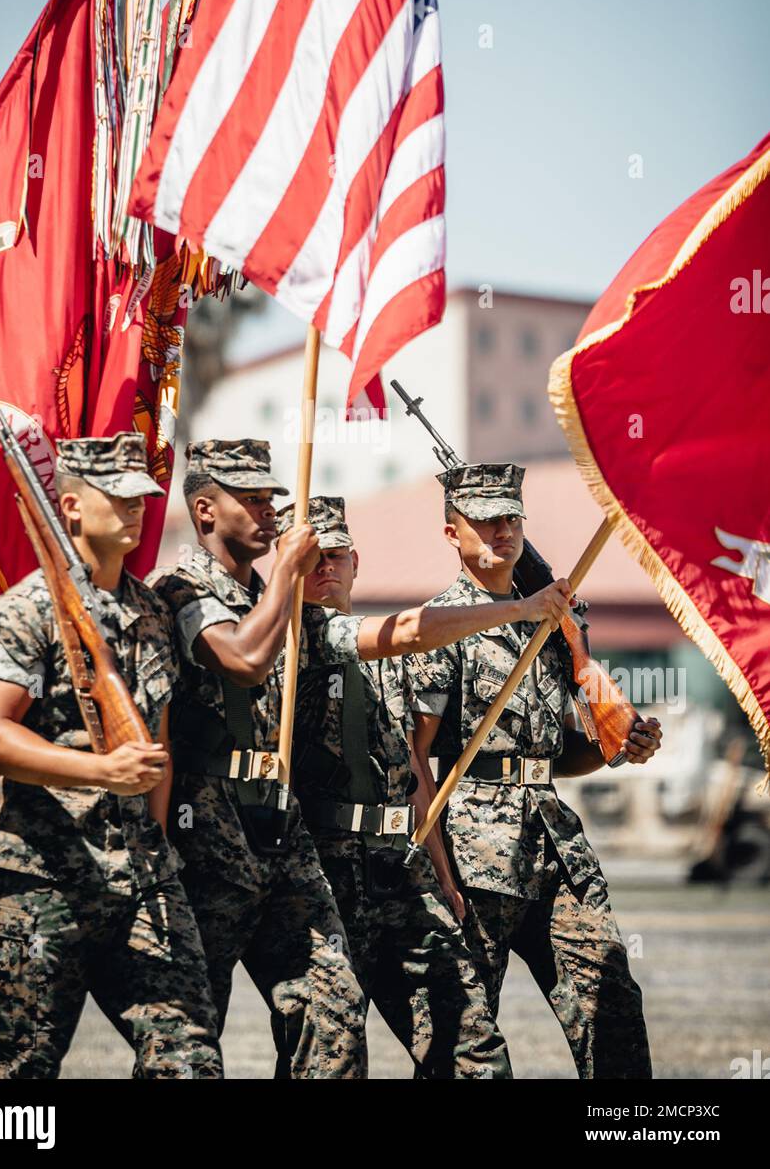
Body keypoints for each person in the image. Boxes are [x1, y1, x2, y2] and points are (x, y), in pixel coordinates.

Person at [148, 440, 571, 1079]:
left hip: (282, 840)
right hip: (207, 840)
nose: (270, 513)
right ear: (204, 511)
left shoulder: (295, 612)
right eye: (253, 500)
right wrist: (287, 580)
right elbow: (242, 659)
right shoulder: (181, 590)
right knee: (184, 1046)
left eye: (273, 500)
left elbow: (399, 633)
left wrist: (519, 609)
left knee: (334, 1021)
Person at [0, 434, 223, 1080]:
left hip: (143, 880)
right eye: (120, 497)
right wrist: (100, 772)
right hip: (41, 876)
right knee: (25, 1069)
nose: (137, 510)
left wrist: (158, 844)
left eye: (143, 497)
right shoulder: (25, 611)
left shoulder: (152, 611)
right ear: (74, 507)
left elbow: (156, 738)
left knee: (189, 1061)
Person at [405, 462, 662, 1080]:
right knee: (468, 1031)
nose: (500, 531)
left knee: (610, 1003)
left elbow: (555, 753)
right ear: (452, 534)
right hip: (472, 850)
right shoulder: (442, 624)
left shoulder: (552, 623)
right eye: (484, 520)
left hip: (552, 841)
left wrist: (615, 744)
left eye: (511, 518)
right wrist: (437, 867)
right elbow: (415, 757)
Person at [275, 495, 511, 1079]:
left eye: (335, 556)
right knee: (330, 1048)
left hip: (400, 869)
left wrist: (445, 877)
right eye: (309, 560)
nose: (324, 569)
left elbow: (413, 772)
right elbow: (410, 631)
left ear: (356, 560)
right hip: (322, 869)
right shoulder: (286, 644)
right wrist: (520, 609)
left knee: (470, 1041)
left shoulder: (388, 659)